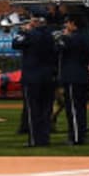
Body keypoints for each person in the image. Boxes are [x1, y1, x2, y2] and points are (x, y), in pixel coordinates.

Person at [14, 8, 58, 147]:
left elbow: (15, 44)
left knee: (33, 109)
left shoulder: (31, 35)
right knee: (46, 109)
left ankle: (34, 140)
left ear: (35, 20)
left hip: (32, 76)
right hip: (48, 76)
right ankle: (45, 139)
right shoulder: (51, 35)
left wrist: (23, 31)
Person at [57, 12, 89, 146]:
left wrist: (64, 37)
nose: (65, 25)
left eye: (67, 23)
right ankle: (81, 134)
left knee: (72, 109)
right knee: (81, 108)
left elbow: (59, 49)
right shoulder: (86, 38)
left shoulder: (69, 39)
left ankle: (76, 137)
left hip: (72, 77)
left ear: (73, 24)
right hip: (83, 76)